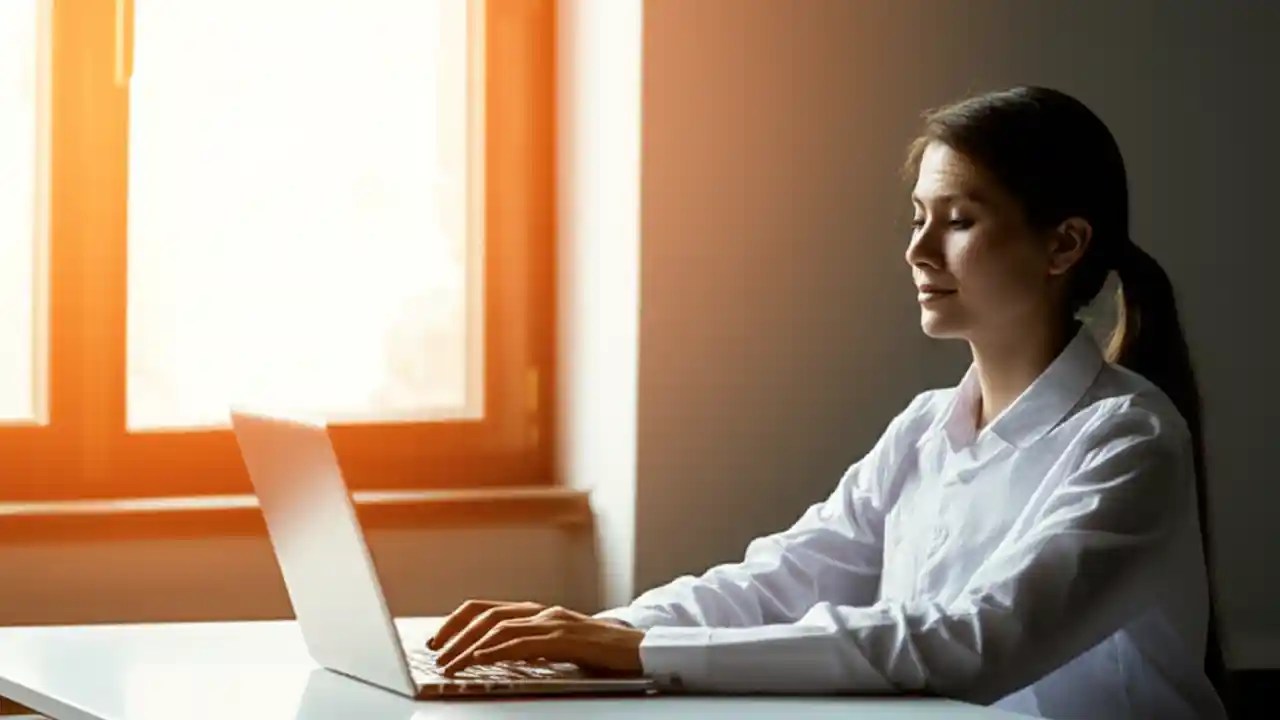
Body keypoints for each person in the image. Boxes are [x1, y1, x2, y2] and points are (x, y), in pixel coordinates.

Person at [423, 86, 1228, 719]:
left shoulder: (1131, 439)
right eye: (917, 218)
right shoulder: (924, 428)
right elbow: (783, 577)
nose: (917, 250)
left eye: (958, 221)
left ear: (1064, 244)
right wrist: (600, 632)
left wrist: (635, 653)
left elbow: (974, 644)